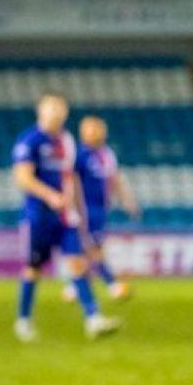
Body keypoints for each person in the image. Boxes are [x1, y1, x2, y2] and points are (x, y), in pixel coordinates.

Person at [11, 93, 122, 342]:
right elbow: (22, 177)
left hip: (65, 217)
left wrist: (76, 208)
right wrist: (50, 195)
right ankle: (23, 320)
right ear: (40, 110)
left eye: (60, 107)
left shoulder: (67, 141)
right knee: (33, 269)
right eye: (51, 107)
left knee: (78, 263)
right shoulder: (30, 141)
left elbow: (71, 178)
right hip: (37, 216)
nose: (56, 112)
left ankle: (93, 318)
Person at [61, 115, 139, 303]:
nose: (96, 132)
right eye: (91, 128)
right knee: (93, 247)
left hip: (101, 209)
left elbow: (116, 178)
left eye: (98, 128)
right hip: (84, 209)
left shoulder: (107, 154)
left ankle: (74, 287)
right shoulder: (78, 154)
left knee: (91, 247)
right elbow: (68, 179)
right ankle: (112, 285)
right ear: (83, 132)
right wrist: (70, 204)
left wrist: (127, 199)